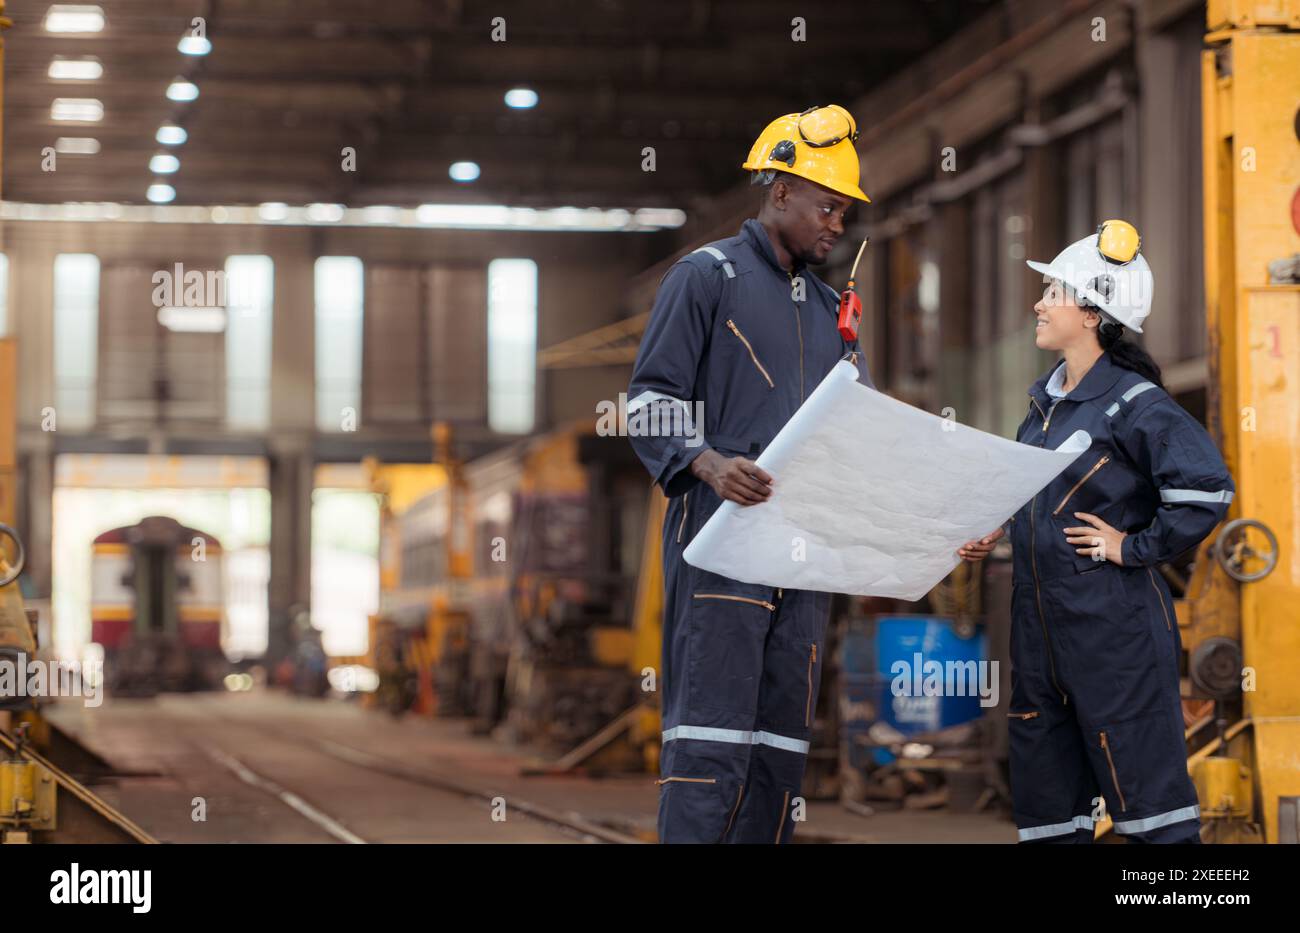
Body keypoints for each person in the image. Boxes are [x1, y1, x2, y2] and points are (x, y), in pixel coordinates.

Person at [627, 105, 872, 843]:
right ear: (779, 193)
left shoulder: (834, 315)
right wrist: (705, 462)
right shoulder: (707, 278)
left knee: (778, 756)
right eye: (826, 206)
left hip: (801, 560)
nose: (836, 224)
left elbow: (851, 441)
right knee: (712, 745)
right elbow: (646, 402)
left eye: (844, 212)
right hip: (723, 541)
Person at [959, 220, 1233, 843]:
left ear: (1090, 311)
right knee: (1049, 818)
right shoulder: (1045, 407)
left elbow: (1207, 489)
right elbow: (1039, 497)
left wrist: (1131, 547)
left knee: (1152, 813)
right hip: (1039, 638)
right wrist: (995, 530)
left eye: (1052, 291)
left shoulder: (1138, 404)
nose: (1038, 301)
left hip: (1115, 637)